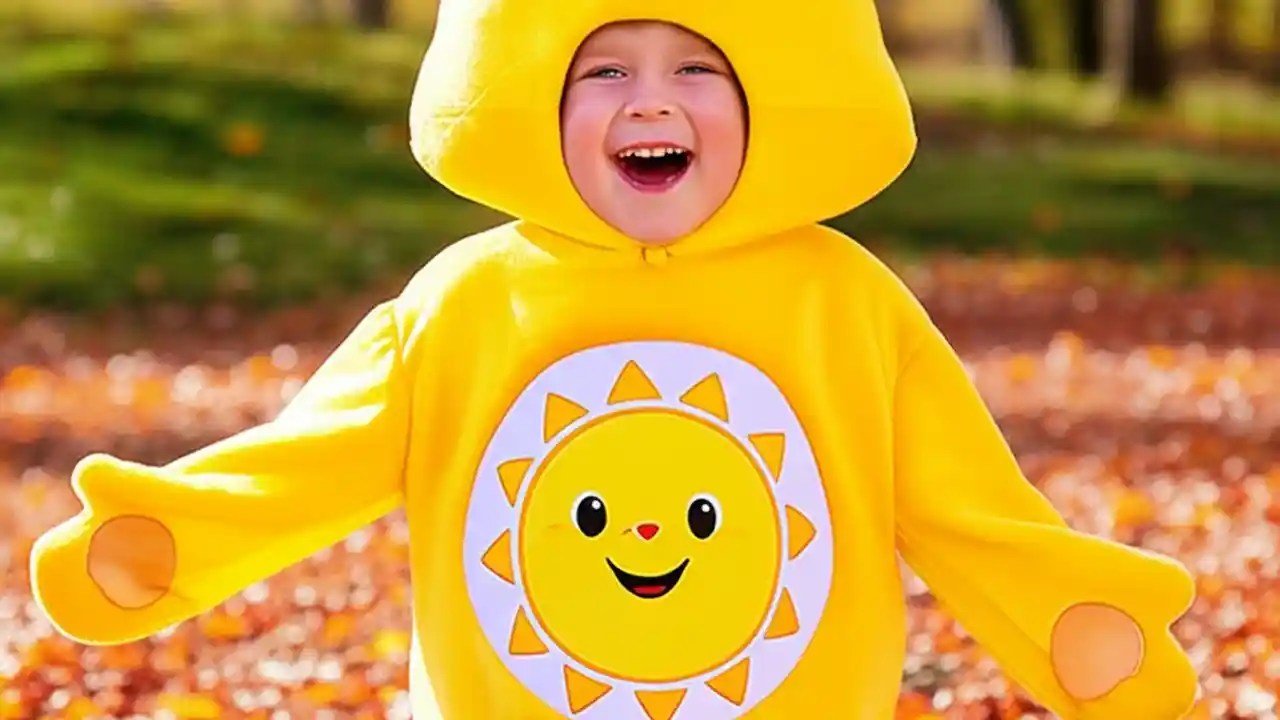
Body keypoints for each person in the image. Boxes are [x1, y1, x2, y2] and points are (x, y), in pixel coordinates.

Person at [29, 1, 1201, 718]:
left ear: (776, 91)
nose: (653, 102)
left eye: (697, 66)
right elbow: (309, 460)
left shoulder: (842, 303)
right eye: (604, 70)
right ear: (532, 93)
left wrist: (1061, 618)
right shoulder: (466, 303)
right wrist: (176, 536)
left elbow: (966, 506)